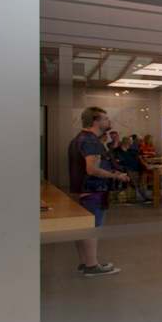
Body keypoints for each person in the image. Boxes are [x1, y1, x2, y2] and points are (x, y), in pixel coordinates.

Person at [68, 107, 129, 276]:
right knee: (92, 229)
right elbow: (92, 169)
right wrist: (115, 176)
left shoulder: (79, 139)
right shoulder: (90, 141)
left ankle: (86, 261)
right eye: (105, 119)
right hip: (92, 191)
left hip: (82, 191)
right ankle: (92, 265)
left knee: (83, 229)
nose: (109, 122)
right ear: (96, 121)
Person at [116, 136, 153, 204]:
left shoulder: (132, 150)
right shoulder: (118, 151)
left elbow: (139, 158)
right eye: (130, 142)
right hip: (128, 169)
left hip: (136, 168)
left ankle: (141, 198)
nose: (131, 143)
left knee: (137, 184)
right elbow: (117, 160)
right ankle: (144, 197)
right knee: (135, 184)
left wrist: (146, 165)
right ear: (126, 142)